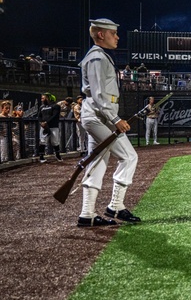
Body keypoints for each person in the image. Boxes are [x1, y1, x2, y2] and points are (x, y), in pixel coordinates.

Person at [78, 18, 141, 226]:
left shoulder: (100, 56)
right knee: (129, 157)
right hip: (100, 117)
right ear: (100, 34)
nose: (117, 37)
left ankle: (87, 214)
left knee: (97, 161)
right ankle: (115, 206)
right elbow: (98, 94)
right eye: (113, 33)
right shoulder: (97, 58)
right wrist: (115, 119)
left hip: (98, 116)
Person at [36, 93, 63, 163]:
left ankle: (57, 154)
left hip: (53, 126)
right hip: (44, 127)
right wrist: (41, 122)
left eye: (43, 98)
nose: (42, 99)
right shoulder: (41, 107)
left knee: (54, 141)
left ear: (48, 98)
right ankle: (41, 157)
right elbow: (39, 116)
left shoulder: (56, 106)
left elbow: (55, 115)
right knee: (42, 141)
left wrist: (46, 122)